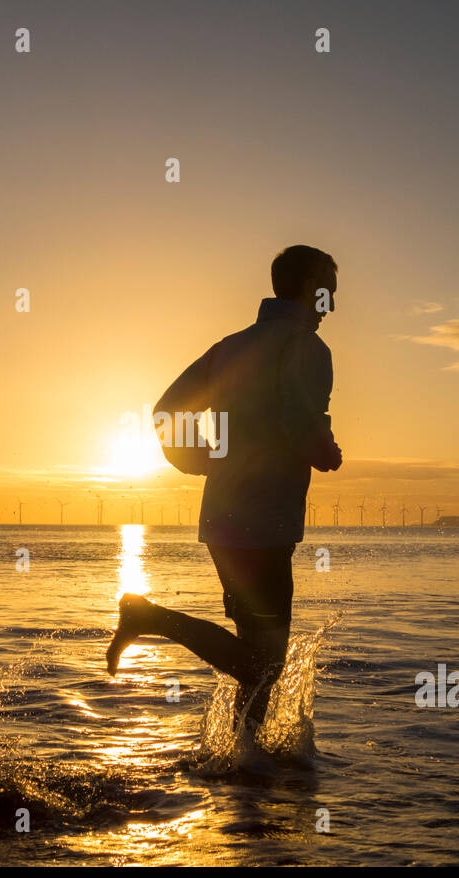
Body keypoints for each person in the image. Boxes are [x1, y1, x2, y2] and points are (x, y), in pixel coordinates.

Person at [106, 245, 343, 741]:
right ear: (306, 289)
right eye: (327, 294)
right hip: (267, 521)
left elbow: (168, 408)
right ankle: (149, 616)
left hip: (223, 516)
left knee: (254, 655)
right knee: (265, 665)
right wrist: (323, 450)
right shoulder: (308, 349)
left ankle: (244, 764)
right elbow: (298, 422)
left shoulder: (230, 347)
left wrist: (202, 460)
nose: (331, 307)